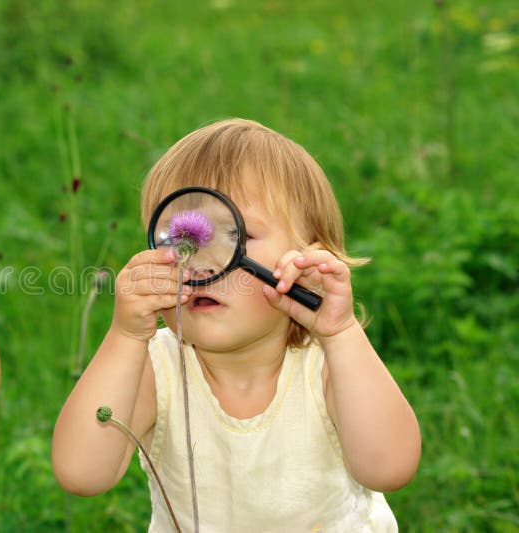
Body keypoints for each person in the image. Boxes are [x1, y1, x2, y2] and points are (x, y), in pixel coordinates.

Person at [52, 118, 421, 531]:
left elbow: (390, 467)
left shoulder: (329, 363)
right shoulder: (157, 367)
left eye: (236, 236)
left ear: (304, 262)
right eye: (181, 238)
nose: (203, 259)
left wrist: (342, 333)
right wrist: (124, 337)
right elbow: (80, 472)